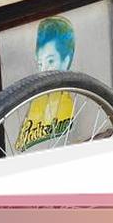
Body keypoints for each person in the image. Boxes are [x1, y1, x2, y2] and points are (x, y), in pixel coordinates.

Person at [14, 17, 76, 152]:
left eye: (51, 61)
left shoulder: (69, 103)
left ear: (66, 61)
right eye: (40, 63)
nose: (44, 70)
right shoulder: (37, 100)